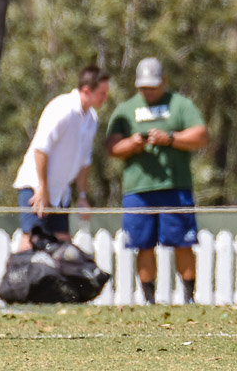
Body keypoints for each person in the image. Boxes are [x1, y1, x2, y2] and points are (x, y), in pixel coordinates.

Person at [105, 57, 208, 305]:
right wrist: (132, 144)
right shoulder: (125, 110)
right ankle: (149, 300)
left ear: (164, 81)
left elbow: (201, 136)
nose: (148, 91)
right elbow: (112, 147)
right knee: (143, 245)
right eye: (143, 87)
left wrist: (170, 138)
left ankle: (188, 297)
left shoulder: (180, 105)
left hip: (175, 188)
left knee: (183, 243)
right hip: (139, 190)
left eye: (153, 86)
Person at [12, 65, 111, 251]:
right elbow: (41, 149)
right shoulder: (62, 108)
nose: (105, 98)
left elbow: (85, 161)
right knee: (32, 241)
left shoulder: (92, 118)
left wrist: (82, 196)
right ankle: (15, 280)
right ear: (87, 90)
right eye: (102, 93)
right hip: (35, 187)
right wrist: (42, 187)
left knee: (63, 245)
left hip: (60, 193)